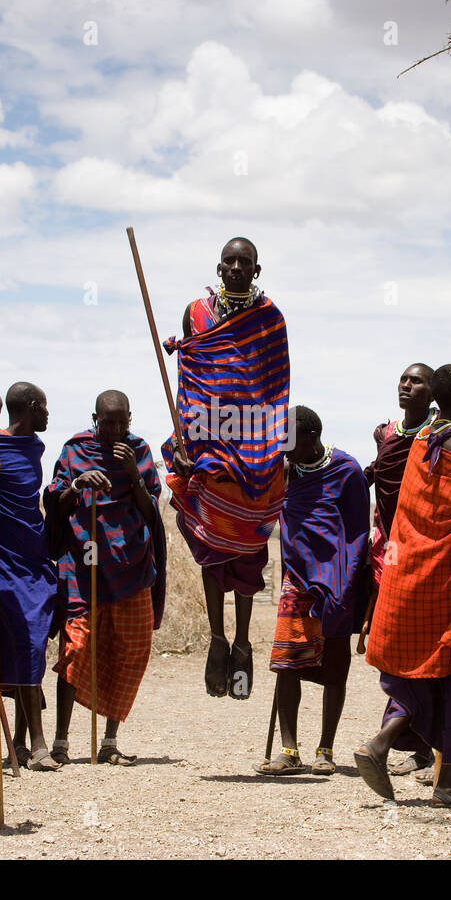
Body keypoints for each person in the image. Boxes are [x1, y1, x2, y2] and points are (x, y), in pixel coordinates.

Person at [355, 365, 451, 809]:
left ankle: (382, 745)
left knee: (427, 674)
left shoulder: (423, 437)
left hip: (416, 576)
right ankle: (447, 784)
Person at [162, 237, 289, 701]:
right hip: (208, 440)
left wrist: (272, 442)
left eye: (245, 262)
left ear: (257, 269)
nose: (237, 267)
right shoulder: (196, 313)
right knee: (211, 541)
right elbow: (189, 381)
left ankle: (242, 641)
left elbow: (276, 385)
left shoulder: (270, 318)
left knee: (249, 548)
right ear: (220, 266)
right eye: (230, 261)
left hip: (256, 442)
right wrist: (182, 440)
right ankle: (218, 639)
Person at [45, 390, 165, 765]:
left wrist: (132, 474)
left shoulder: (140, 452)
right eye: (106, 422)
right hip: (83, 565)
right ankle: (61, 742)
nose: (114, 429)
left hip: (130, 565)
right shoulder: (74, 450)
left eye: (121, 422)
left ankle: (110, 740)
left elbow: (150, 513)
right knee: (75, 650)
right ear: (94, 418)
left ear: (130, 418)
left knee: (130, 650)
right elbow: (56, 503)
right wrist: (79, 484)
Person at [255, 406, 370, 776]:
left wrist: (345, 585)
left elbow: (356, 533)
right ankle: (289, 750)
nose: (282, 447)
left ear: (312, 435)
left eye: (288, 440)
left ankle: (326, 748)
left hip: (337, 581)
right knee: (287, 664)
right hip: (296, 581)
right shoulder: (285, 473)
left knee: (335, 668)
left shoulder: (346, 470)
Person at [0, 381, 60, 769]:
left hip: (36, 561)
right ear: (29, 407)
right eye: (43, 407)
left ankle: (21, 743)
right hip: (5, 565)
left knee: (34, 645)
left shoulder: (35, 447)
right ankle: (37, 744)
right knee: (25, 644)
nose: (48, 414)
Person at [360, 363, 435, 776]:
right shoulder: (386, 434)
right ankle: (411, 739)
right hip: (386, 551)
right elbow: (375, 476)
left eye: (417, 381)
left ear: (432, 391)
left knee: (419, 647)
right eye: (404, 379)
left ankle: (412, 740)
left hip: (421, 550)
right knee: (394, 649)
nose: (407, 386)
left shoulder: (439, 435)